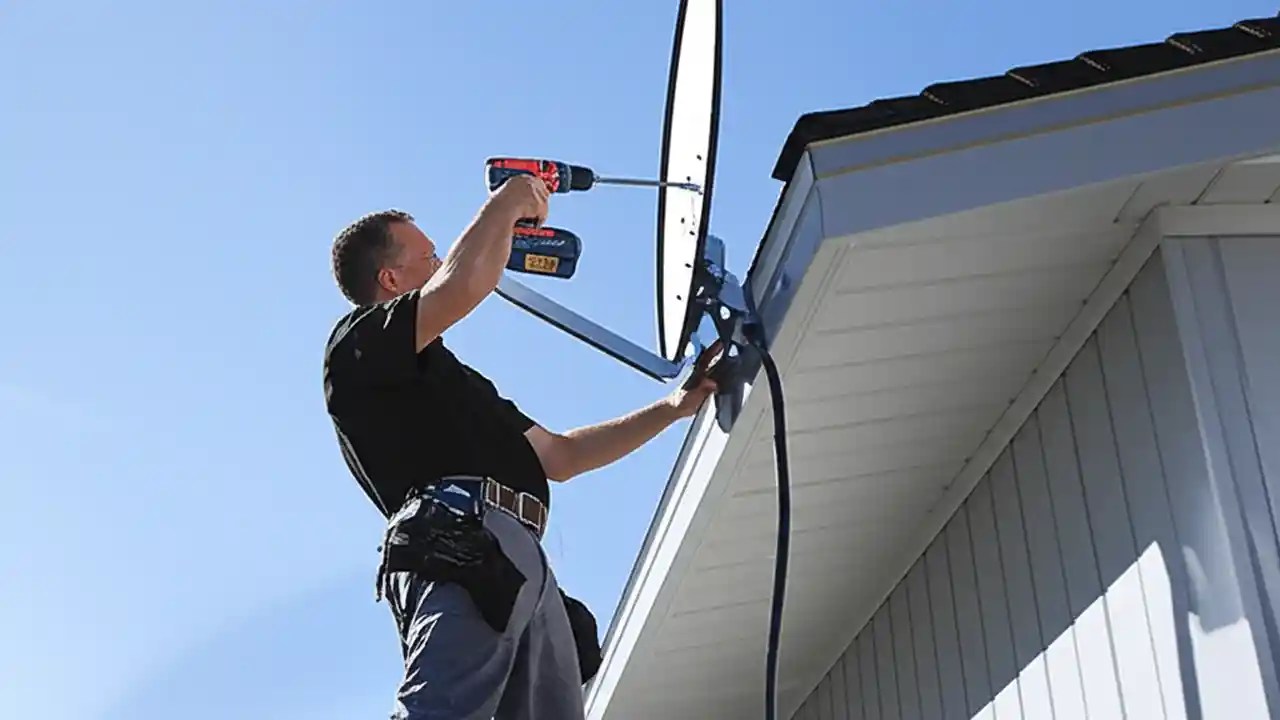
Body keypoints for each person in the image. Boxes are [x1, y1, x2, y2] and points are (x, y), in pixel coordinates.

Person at [322, 174, 720, 720]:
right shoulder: (359, 343)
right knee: (443, 710)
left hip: (517, 558)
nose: (441, 263)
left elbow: (561, 456)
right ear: (390, 279)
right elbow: (462, 287)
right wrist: (507, 200)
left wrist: (673, 409)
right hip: (458, 537)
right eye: (429, 256)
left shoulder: (454, 383)